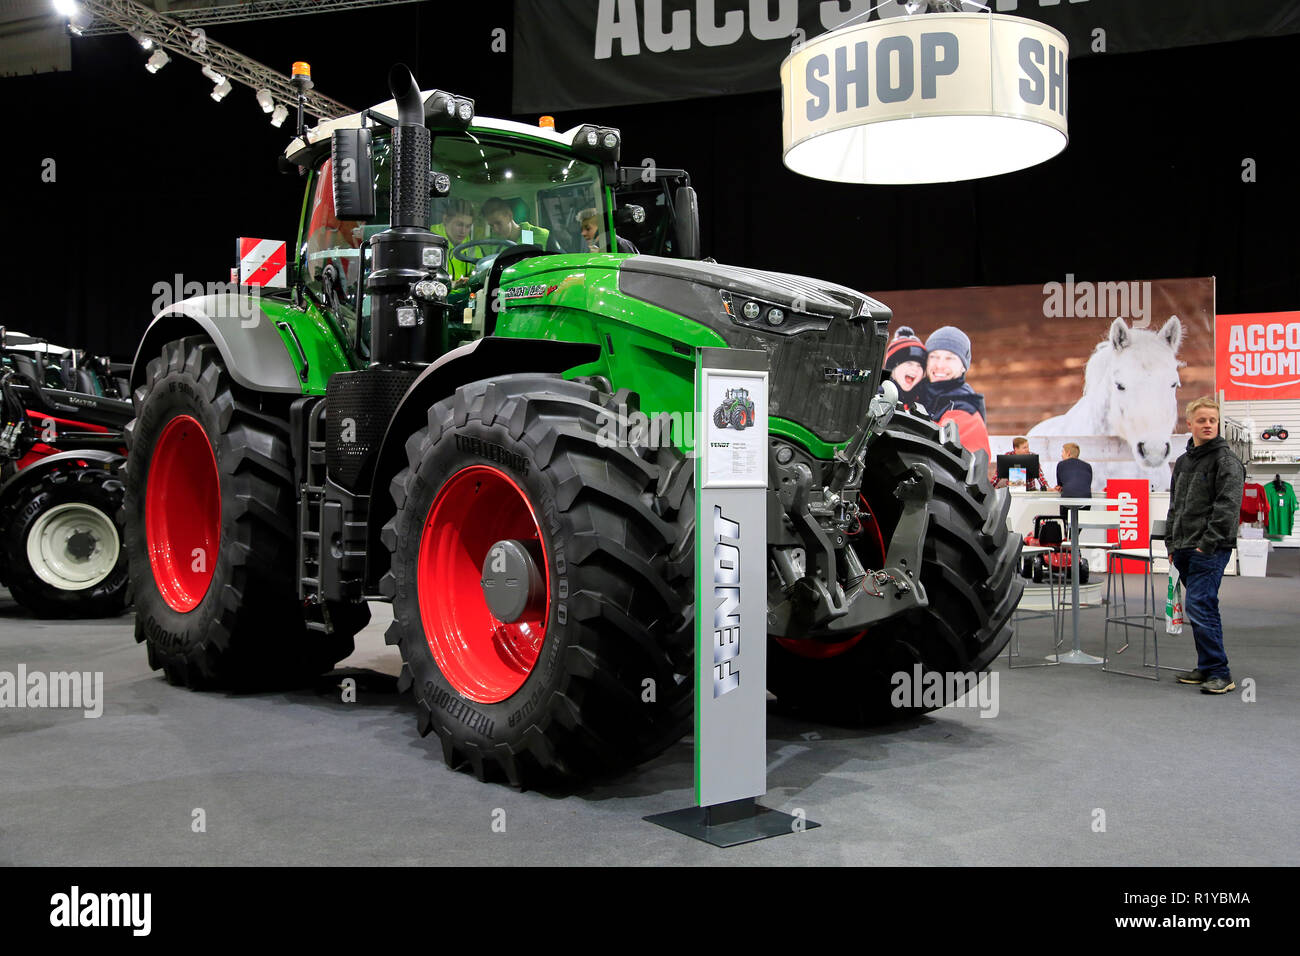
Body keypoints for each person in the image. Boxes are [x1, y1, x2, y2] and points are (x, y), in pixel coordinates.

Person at [1165, 396, 1245, 695]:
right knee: (1199, 606)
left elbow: (1227, 507)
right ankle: (1207, 667)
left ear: (1218, 423)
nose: (1208, 424)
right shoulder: (1185, 461)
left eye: (1212, 420)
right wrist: (1171, 543)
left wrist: (1206, 544)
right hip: (1184, 547)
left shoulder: (1226, 461)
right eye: (1202, 420)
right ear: (1190, 424)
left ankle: (1220, 673)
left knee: (1201, 605)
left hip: (1209, 548)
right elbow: (1176, 504)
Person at [916, 325, 991, 461]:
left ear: (963, 366)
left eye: (950, 358)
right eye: (933, 356)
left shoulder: (966, 410)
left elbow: (972, 467)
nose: (939, 365)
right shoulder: (912, 395)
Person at [430, 199, 476, 287]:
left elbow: (480, 275)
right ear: (445, 220)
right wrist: (453, 284)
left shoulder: (473, 248)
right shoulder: (430, 240)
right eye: (459, 224)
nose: (463, 231)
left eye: (468, 226)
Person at [882, 326, 926, 410]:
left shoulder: (923, 398)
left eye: (919, 365)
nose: (915, 369)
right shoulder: (880, 395)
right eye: (909, 363)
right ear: (893, 367)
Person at [482, 197, 551, 250]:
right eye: (491, 225)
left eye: (498, 223)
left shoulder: (534, 235)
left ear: (509, 215)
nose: (495, 230)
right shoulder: (489, 245)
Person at [1054, 441, 1093, 521]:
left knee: (1067, 524)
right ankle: (1074, 533)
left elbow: (1060, 486)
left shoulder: (1061, 464)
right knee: (1077, 525)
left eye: (1062, 452)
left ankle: (1068, 532)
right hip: (1085, 502)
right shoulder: (1088, 466)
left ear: (1068, 453)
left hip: (1067, 501)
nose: (1061, 455)